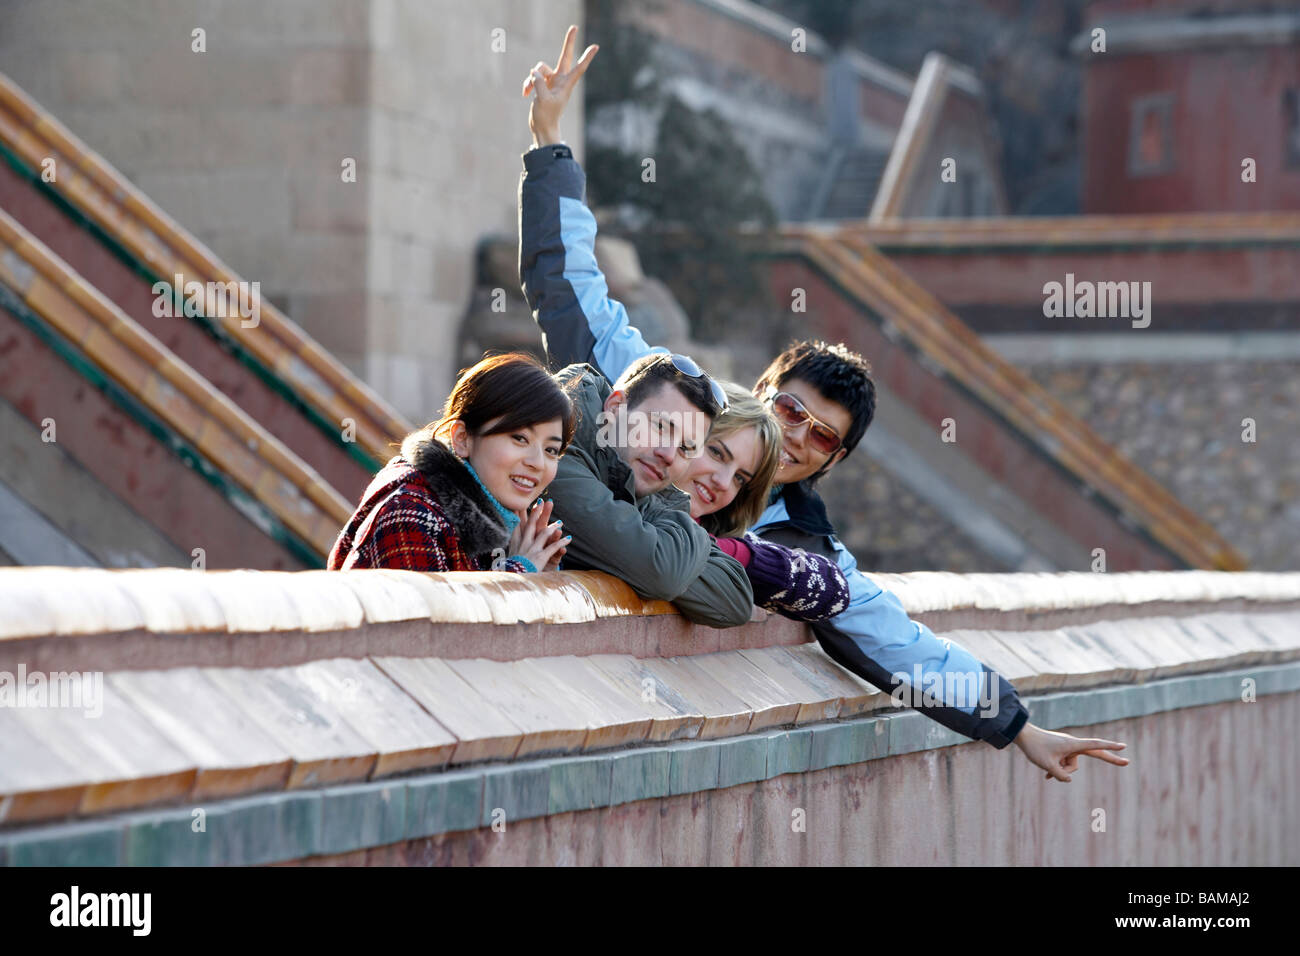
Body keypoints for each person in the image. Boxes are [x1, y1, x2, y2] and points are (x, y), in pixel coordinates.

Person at [517, 27, 1130, 783]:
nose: (795, 433)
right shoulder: (673, 402)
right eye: (791, 409)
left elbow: (897, 643)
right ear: (765, 391)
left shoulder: (802, 554)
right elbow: (577, 298)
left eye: (819, 435)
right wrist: (550, 150)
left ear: (835, 460)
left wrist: (1015, 725)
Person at [543, 350, 755, 628]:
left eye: (686, 448)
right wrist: (674, 522)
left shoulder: (640, 486)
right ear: (616, 407)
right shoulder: (553, 446)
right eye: (660, 427)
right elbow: (661, 572)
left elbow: (735, 601)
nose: (668, 454)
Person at [328, 352, 572, 574]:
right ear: (463, 439)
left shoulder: (499, 525)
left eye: (551, 449)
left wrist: (545, 578)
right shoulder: (410, 512)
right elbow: (427, 621)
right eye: (519, 438)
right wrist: (519, 572)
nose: (538, 463)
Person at [684, 381, 850, 623]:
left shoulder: (715, 529)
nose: (723, 482)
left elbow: (835, 592)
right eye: (717, 453)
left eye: (740, 478)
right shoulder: (626, 498)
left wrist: (727, 551)